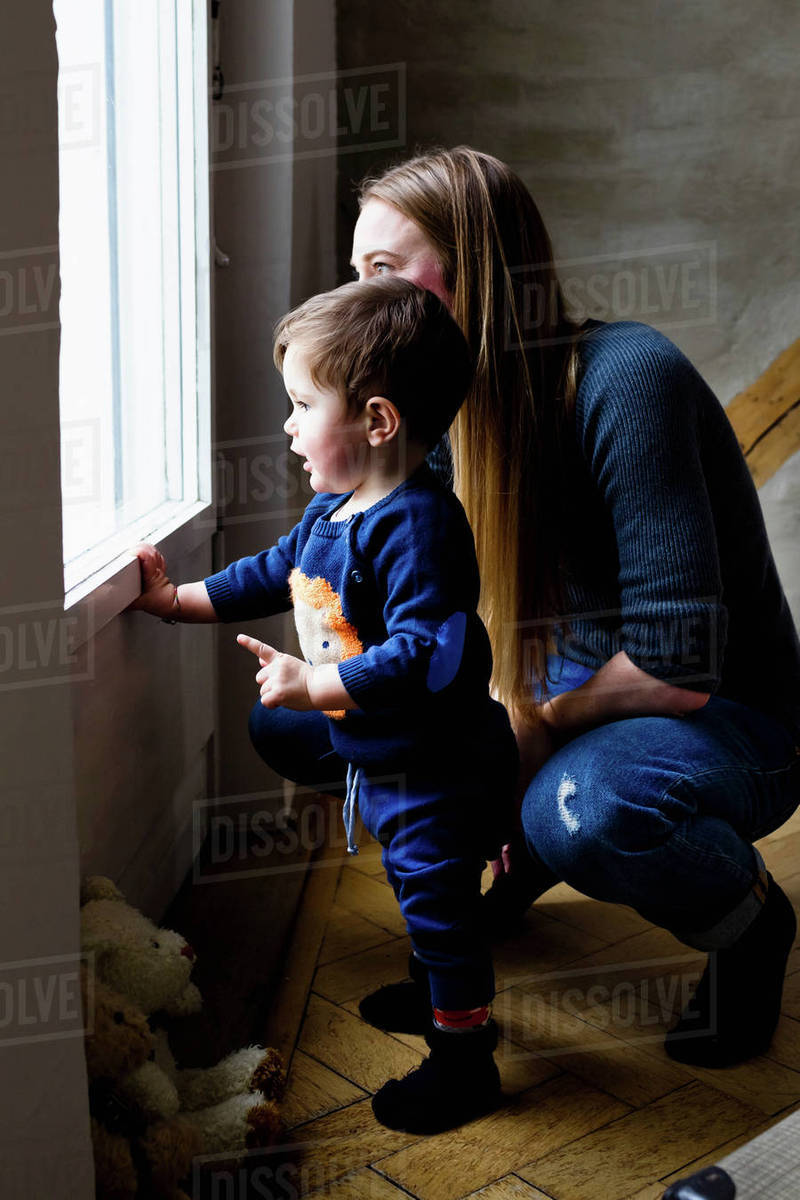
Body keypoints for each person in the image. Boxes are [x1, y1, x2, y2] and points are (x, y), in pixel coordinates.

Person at [338, 146, 800, 1071]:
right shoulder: (440, 414)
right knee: (333, 721)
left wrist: (532, 723)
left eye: (385, 273)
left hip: (730, 723)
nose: (360, 303)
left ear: (477, 272)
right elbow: (419, 617)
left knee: (583, 812)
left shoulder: (625, 378)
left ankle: (751, 925)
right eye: (354, 277)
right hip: (566, 704)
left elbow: (678, 668)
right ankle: (469, 934)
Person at [127, 275, 519, 1135]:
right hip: (387, 755)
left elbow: (424, 652)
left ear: (378, 422)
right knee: (423, 891)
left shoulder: (417, 527)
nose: (288, 425)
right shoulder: (334, 508)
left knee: (440, 907)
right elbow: (273, 572)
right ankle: (433, 994)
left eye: (304, 404)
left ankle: (466, 1063)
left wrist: (316, 688)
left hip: (440, 764)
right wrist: (177, 600)